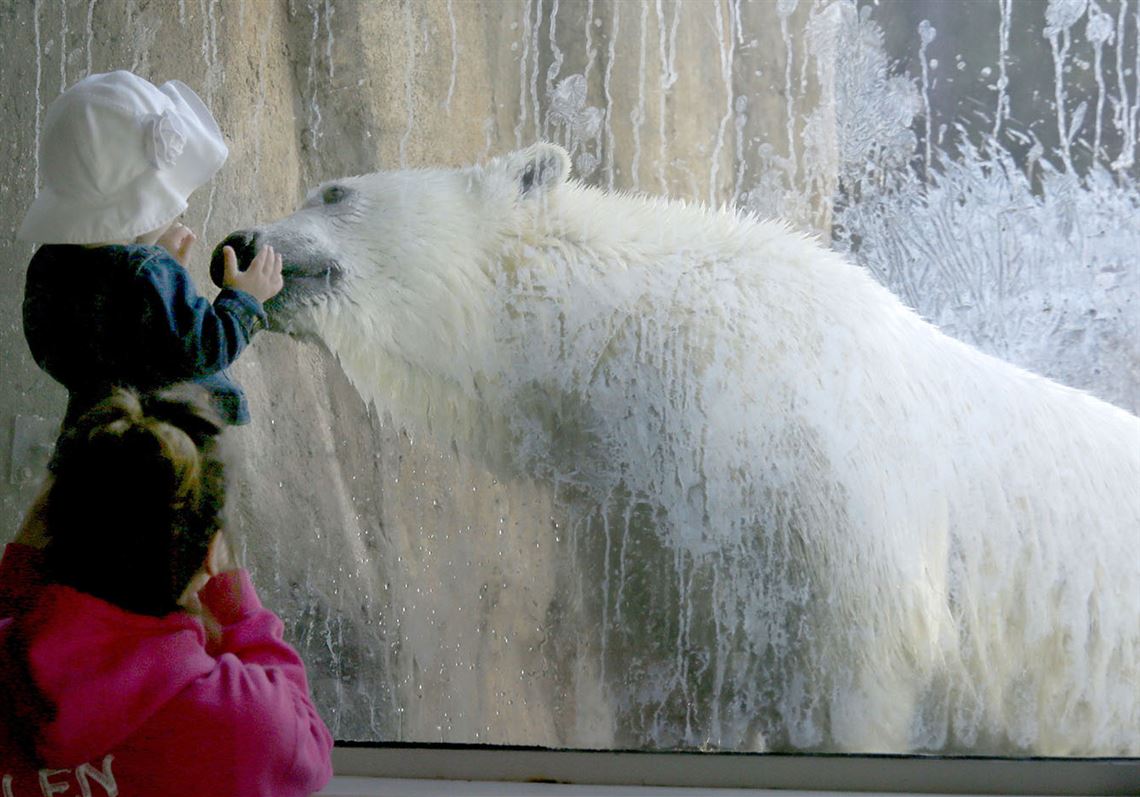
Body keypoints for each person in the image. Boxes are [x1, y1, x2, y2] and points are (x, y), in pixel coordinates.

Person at [0, 386, 333, 797]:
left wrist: (21, 570)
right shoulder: (246, 724)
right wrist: (236, 601)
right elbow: (310, 748)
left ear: (50, 524)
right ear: (211, 554)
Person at [18, 69, 283, 430]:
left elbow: (89, 331)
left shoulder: (48, 264)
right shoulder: (145, 275)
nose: (179, 213)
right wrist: (244, 298)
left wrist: (158, 267)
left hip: (96, 425)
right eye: (174, 206)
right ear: (138, 207)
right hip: (171, 434)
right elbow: (204, 347)